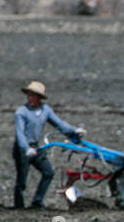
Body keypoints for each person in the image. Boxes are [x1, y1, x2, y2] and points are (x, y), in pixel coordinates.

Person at [12, 80, 84, 210]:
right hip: (23, 149)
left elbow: (59, 124)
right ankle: (19, 207)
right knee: (22, 181)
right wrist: (26, 148)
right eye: (28, 95)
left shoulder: (45, 110)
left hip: (36, 147)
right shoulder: (21, 112)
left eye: (33, 96)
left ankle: (37, 201)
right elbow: (20, 134)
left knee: (48, 172)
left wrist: (74, 130)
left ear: (39, 98)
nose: (30, 98)